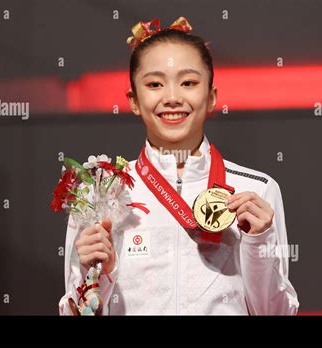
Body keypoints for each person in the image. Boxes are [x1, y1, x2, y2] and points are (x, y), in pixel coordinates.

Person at [59, 16, 299, 315]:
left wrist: (258, 242)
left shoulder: (257, 190)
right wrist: (98, 275)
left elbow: (274, 313)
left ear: (211, 97)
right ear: (134, 100)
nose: (172, 98)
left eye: (188, 82)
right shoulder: (100, 193)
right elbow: (75, 314)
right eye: (155, 84)